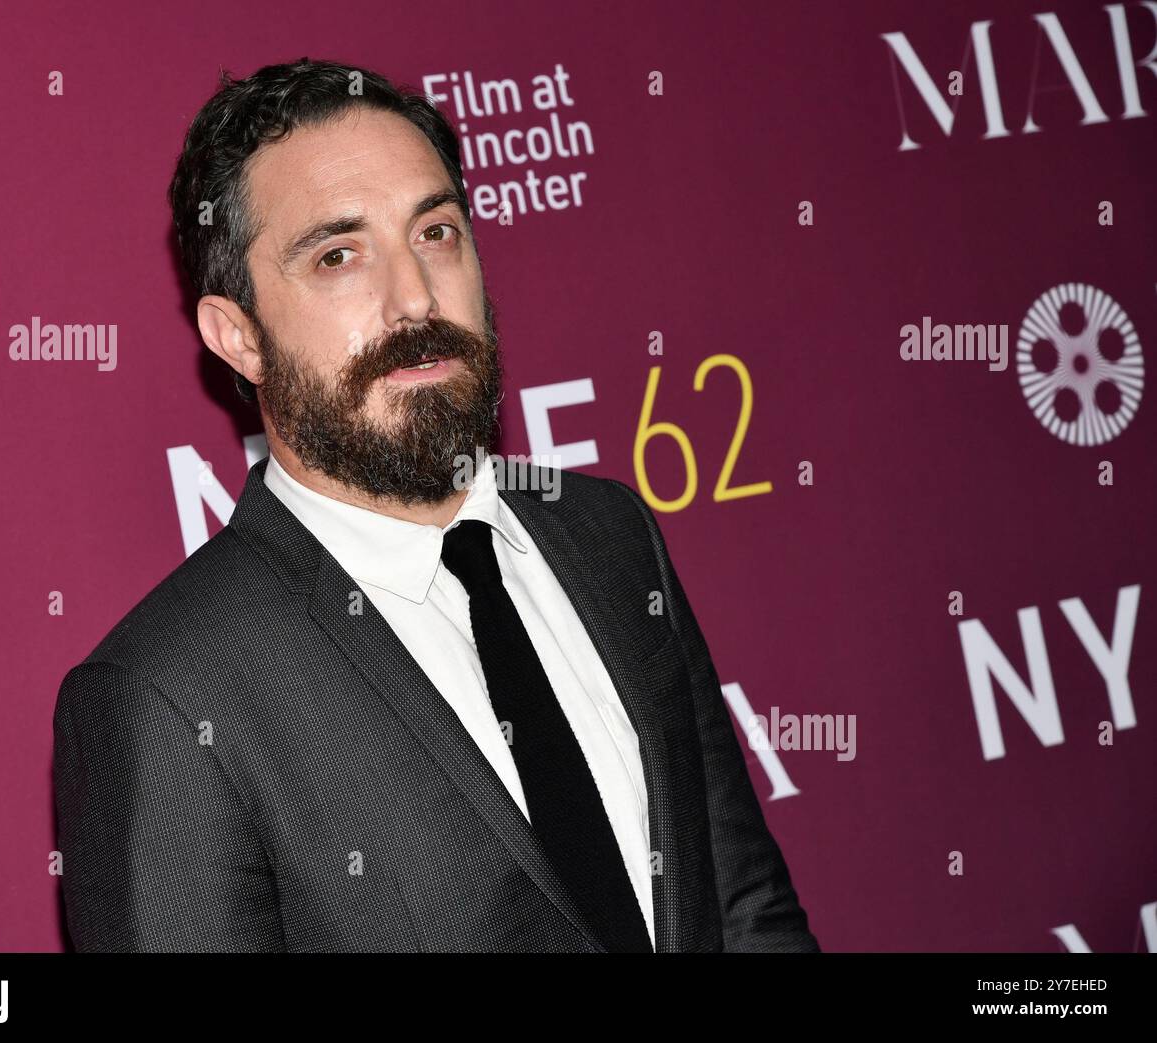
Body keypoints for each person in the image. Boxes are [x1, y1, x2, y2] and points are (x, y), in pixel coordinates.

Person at [52, 57, 819, 953]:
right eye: (338, 256)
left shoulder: (611, 538)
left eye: (437, 233)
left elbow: (746, 912)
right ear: (240, 336)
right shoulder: (166, 694)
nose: (414, 297)